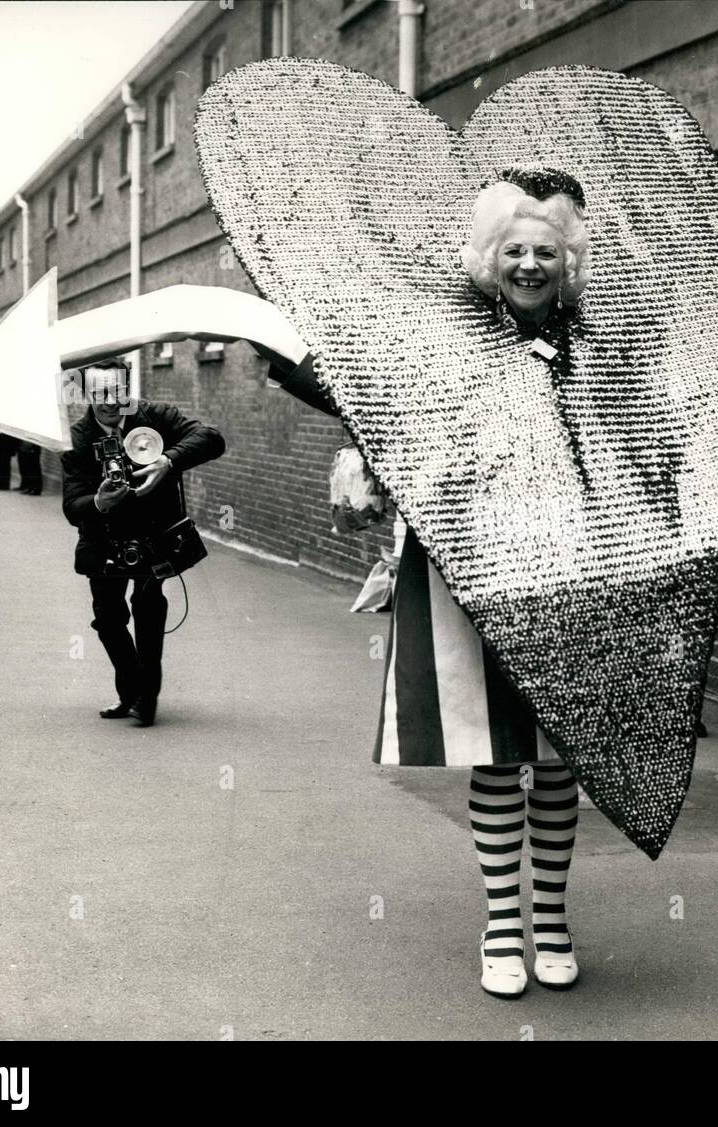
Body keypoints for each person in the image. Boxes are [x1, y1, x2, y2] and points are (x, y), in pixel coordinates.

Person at [268, 169, 590, 999]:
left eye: (544, 251)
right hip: (470, 566)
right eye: (513, 249)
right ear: (490, 258)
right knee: (489, 748)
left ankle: (550, 918)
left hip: (573, 571)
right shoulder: (449, 337)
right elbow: (388, 411)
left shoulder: (599, 344)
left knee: (558, 756)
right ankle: (503, 926)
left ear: (567, 260)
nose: (528, 263)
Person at [61, 360, 225, 727]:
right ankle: (131, 691)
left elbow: (212, 438)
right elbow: (73, 506)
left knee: (148, 609)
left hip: (154, 535)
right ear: (88, 394)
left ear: (128, 390)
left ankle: (145, 699)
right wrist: (100, 501)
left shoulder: (155, 416)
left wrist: (168, 461)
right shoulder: (77, 436)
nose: (110, 402)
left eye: (117, 392)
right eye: (100, 393)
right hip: (103, 540)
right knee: (108, 619)